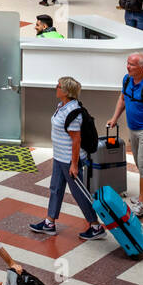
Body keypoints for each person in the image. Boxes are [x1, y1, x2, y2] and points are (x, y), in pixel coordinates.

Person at [29, 76, 108, 240]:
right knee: (55, 189)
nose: (55, 88)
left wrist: (74, 164)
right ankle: (49, 223)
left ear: (66, 92)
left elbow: (76, 140)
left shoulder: (73, 112)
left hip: (69, 160)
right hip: (60, 157)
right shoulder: (62, 106)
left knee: (79, 193)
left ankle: (95, 226)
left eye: (58, 86)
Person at [106, 53, 143, 218]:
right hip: (133, 129)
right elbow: (122, 99)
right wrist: (114, 118)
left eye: (132, 64)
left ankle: (142, 202)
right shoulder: (127, 79)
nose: (128, 67)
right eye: (128, 63)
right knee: (141, 163)